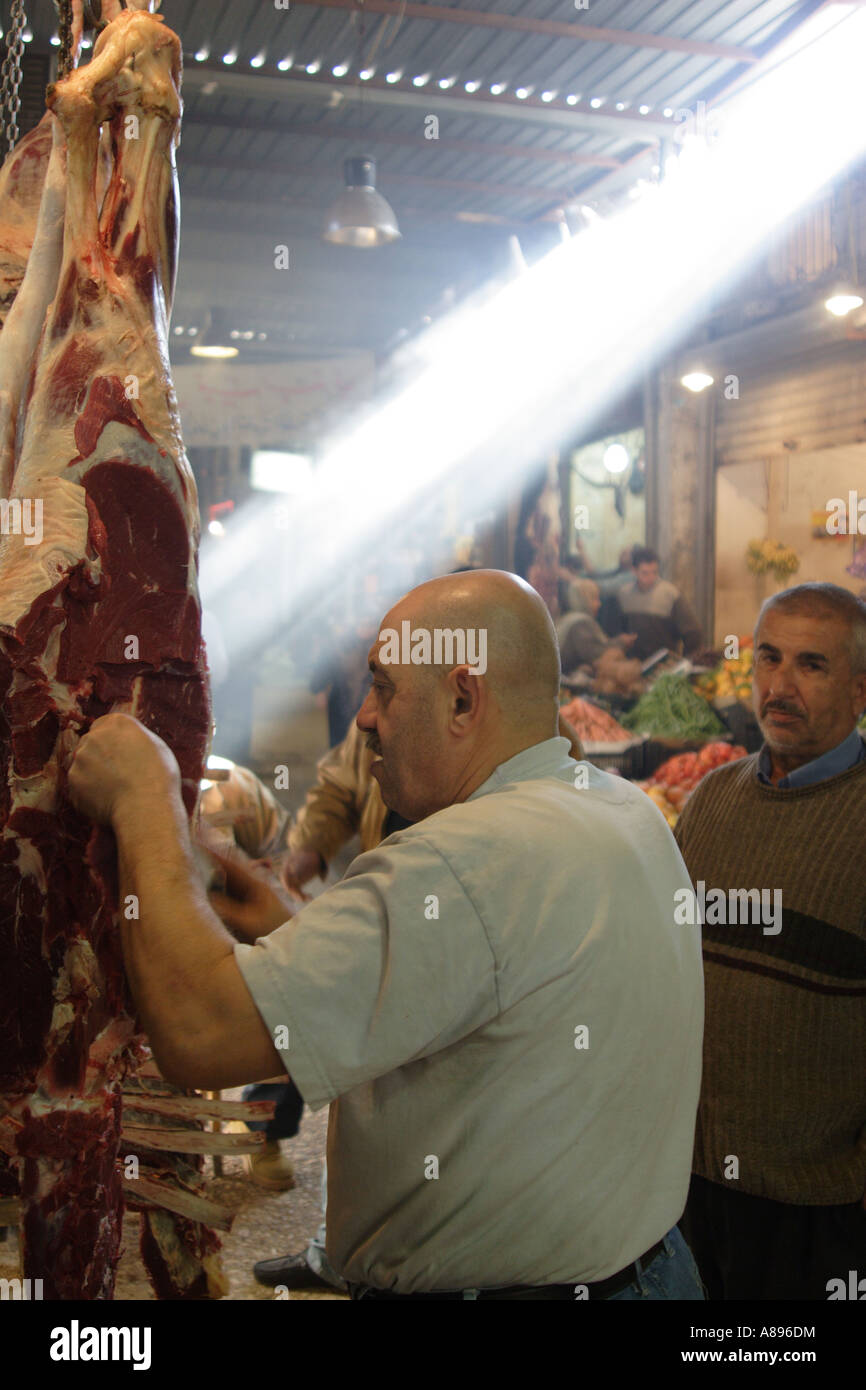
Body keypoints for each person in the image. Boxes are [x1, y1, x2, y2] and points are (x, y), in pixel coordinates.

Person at [68, 570, 704, 1300]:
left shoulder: (462, 859)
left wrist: (144, 799)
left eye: (385, 688)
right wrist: (296, 936)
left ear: (464, 698)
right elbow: (486, 986)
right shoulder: (624, 810)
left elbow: (198, 1032)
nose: (364, 716)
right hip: (654, 1273)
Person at [674, 583, 866, 1300]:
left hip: (818, 1207)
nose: (780, 686)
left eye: (811, 665)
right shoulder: (711, 801)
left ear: (859, 688)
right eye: (769, 658)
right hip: (691, 1187)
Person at [198, 760, 299, 1192]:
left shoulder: (233, 788)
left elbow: (278, 876)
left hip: (233, 924)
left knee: (292, 986)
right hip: (132, 926)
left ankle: (265, 1123)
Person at [612, 546, 702, 660]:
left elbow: (693, 631)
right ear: (634, 571)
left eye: (654, 572)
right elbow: (616, 629)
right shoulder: (624, 595)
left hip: (664, 665)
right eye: (645, 573)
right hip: (632, 664)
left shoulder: (670, 595)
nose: (651, 578)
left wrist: (687, 662)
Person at [555, 577, 636, 675]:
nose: (599, 604)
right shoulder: (580, 623)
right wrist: (621, 642)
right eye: (595, 598)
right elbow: (597, 654)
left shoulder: (570, 617)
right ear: (584, 600)